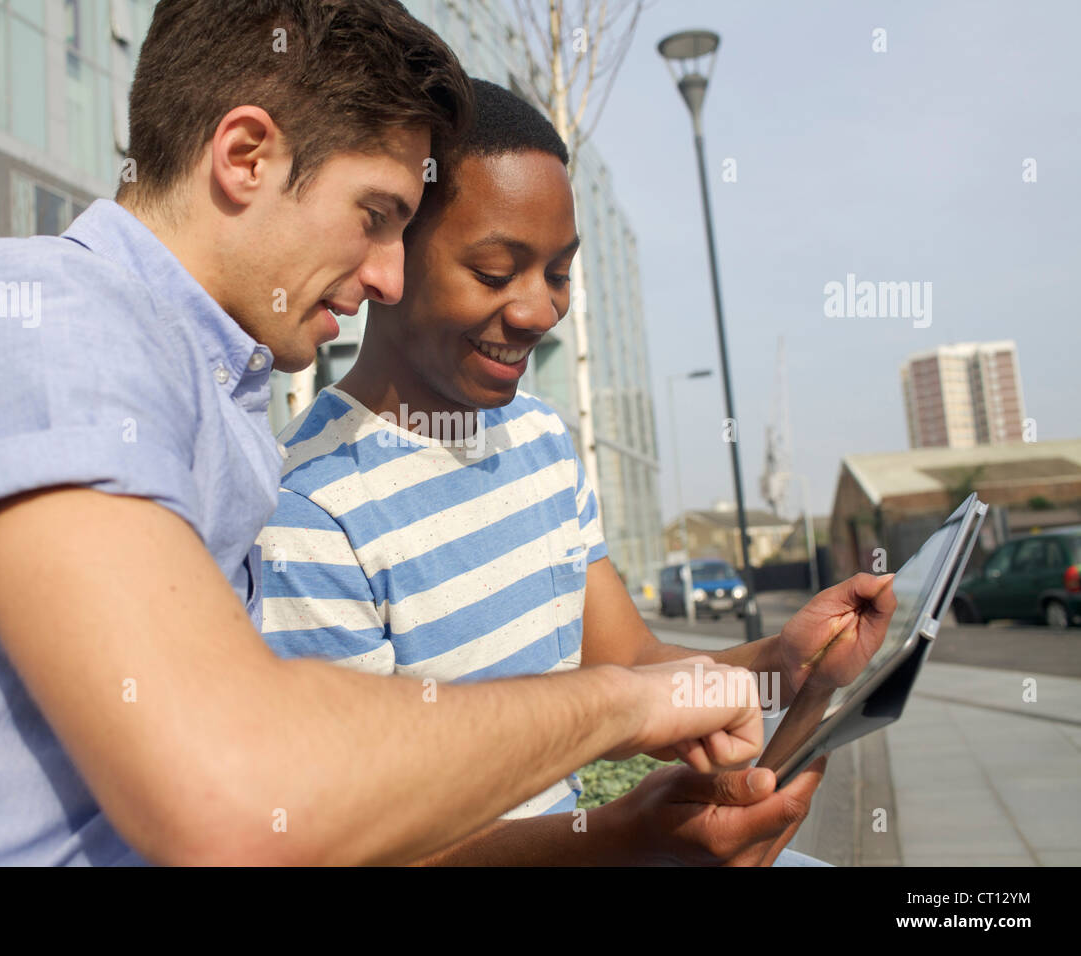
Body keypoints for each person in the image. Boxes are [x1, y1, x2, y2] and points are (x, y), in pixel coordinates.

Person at [0, 0, 764, 866]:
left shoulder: (215, 401)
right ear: (244, 156)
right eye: (375, 214)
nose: (387, 274)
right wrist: (628, 704)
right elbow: (230, 794)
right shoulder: (35, 323)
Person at [258, 79, 898, 865]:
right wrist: (627, 842)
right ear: (389, 254)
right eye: (495, 273)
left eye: (558, 273)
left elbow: (627, 665)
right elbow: (354, 846)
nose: (539, 310)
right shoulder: (309, 511)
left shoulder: (538, 436)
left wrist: (783, 666)